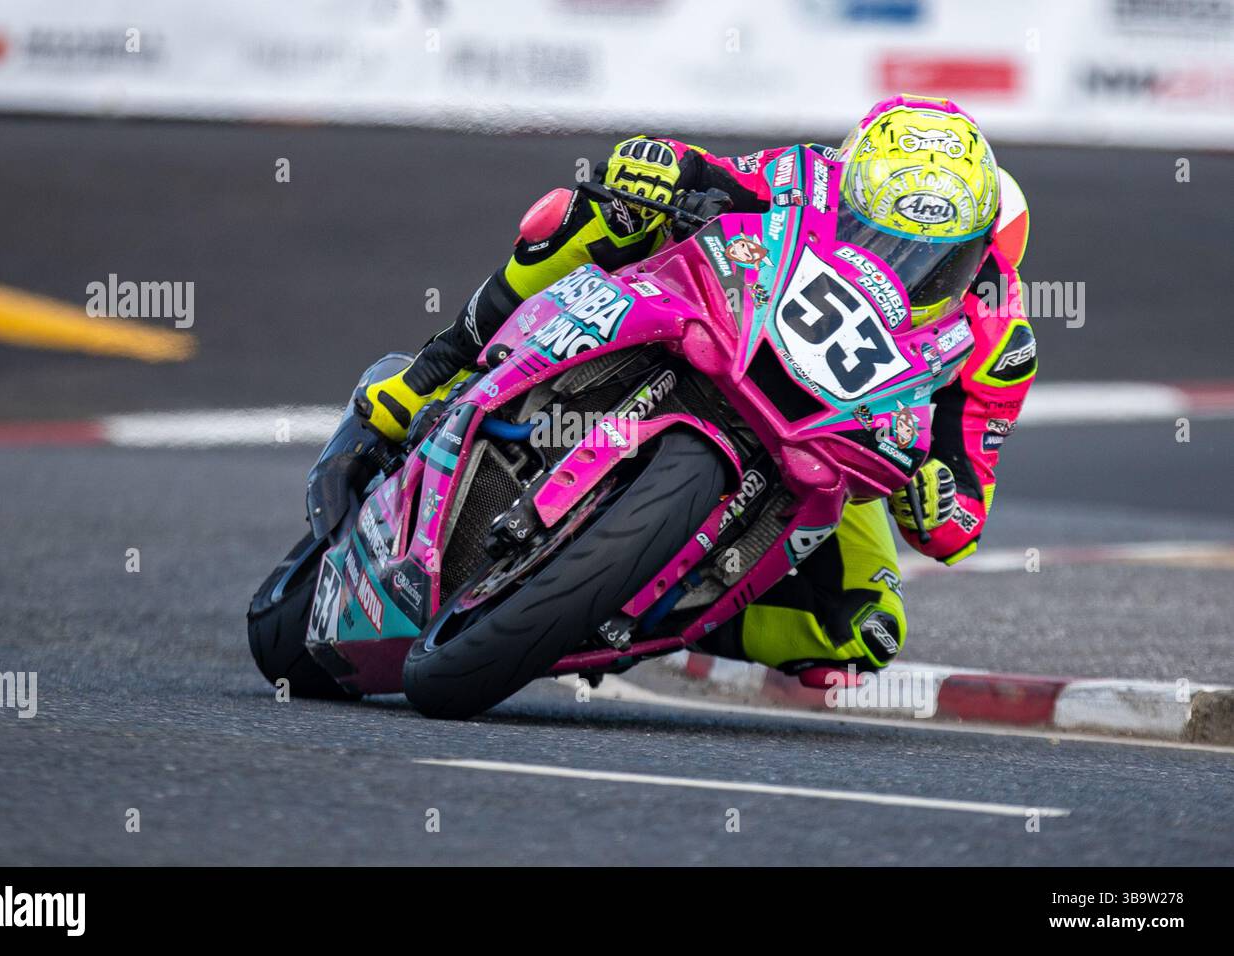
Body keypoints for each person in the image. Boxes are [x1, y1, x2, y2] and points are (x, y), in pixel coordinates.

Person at [356, 94, 1037, 678]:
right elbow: (701, 168)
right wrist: (657, 165)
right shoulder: (811, 176)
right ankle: (430, 375)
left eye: (936, 261)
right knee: (593, 212)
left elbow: (962, 519)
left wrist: (933, 503)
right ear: (850, 185)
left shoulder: (998, 340)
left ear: (982, 250)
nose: (901, 270)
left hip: (841, 433)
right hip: (727, 320)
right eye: (879, 237)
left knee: (867, 627)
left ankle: (645, 613)